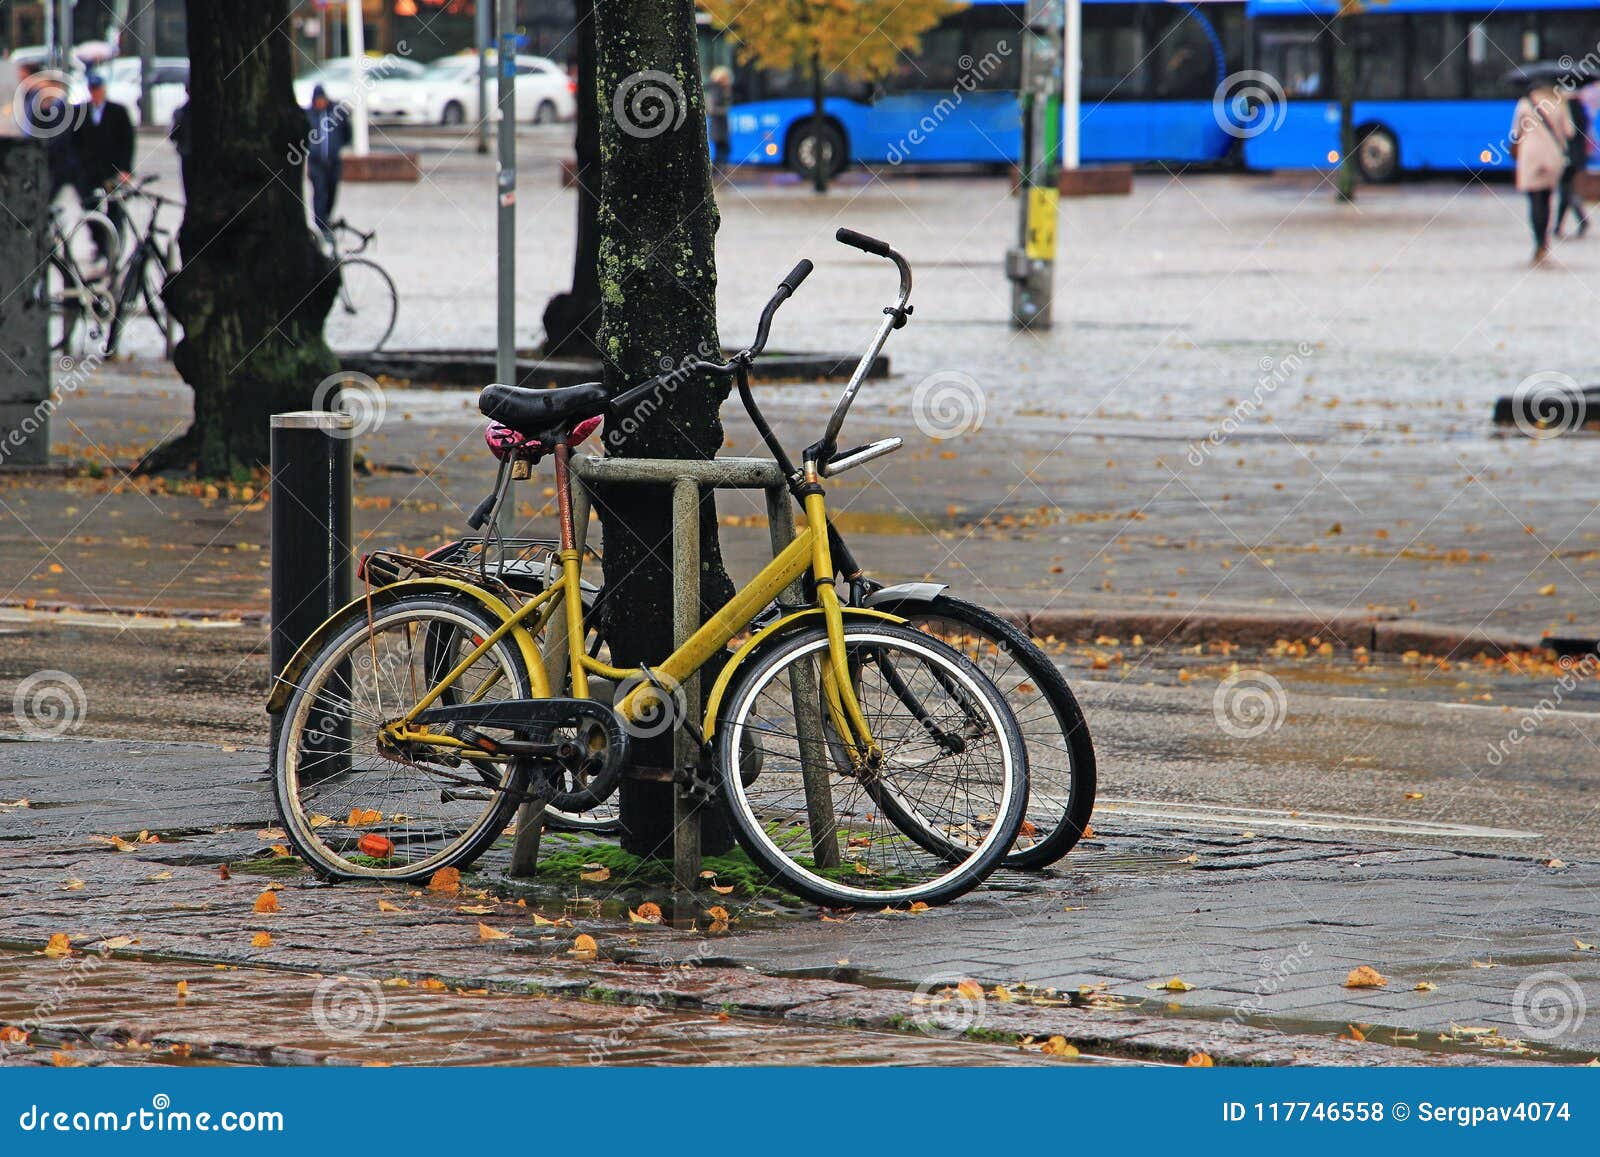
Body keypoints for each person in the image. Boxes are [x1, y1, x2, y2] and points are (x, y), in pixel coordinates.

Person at [71, 73, 135, 261]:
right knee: (89, 208)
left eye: (99, 89)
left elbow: (128, 141)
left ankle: (112, 247)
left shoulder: (118, 111)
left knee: (115, 209)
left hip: (113, 169)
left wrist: (125, 169)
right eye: (93, 90)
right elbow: (74, 142)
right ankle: (100, 245)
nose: (96, 93)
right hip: (89, 170)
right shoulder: (80, 112)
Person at [1509, 82, 1573, 264]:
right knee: (1547, 197)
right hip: (1553, 155)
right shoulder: (1560, 102)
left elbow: (1515, 132)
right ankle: (1545, 241)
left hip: (1530, 156)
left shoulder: (1524, 103)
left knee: (1534, 198)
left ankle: (1538, 243)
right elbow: (1569, 132)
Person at [305, 85, 351, 237]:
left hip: (333, 161)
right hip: (316, 161)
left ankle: (326, 218)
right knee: (319, 192)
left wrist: (336, 147)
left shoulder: (336, 114)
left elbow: (347, 133)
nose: (320, 102)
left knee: (331, 191)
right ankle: (321, 224)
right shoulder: (309, 115)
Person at [1555, 88, 1592, 239]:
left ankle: (1578, 221)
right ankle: (1559, 226)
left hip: (1568, 156)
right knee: (1568, 190)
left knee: (1566, 191)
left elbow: (1568, 133)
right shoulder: (1580, 108)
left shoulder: (1568, 108)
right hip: (1578, 157)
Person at [706, 66, 732, 170]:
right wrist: (724, 110)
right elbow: (712, 109)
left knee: (723, 150)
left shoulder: (720, 90)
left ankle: (718, 170)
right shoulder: (716, 90)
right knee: (722, 150)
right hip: (718, 126)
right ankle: (717, 171)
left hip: (720, 126)